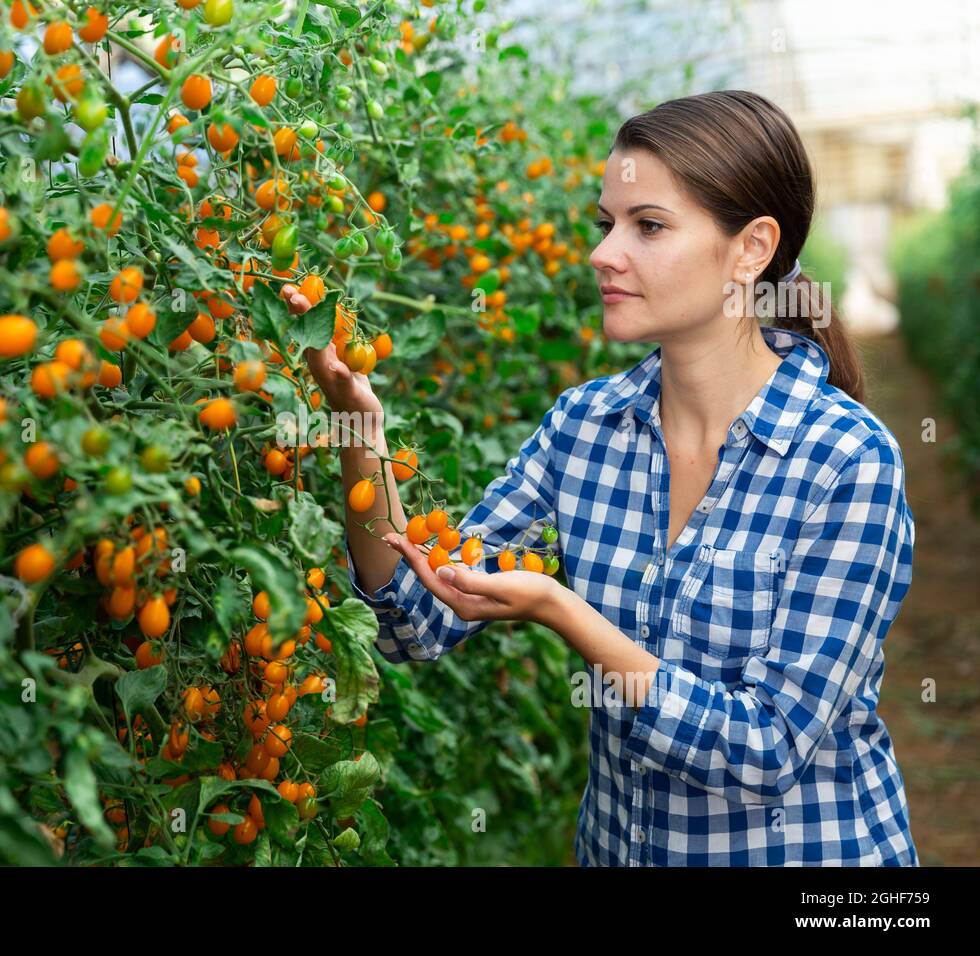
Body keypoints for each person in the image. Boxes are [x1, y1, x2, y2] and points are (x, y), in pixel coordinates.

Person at [305, 89, 917, 867]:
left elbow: (767, 749)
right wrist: (359, 426)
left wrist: (564, 611)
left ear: (751, 249)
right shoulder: (586, 428)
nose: (602, 252)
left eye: (648, 226)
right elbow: (413, 619)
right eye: (607, 223)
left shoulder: (845, 460)